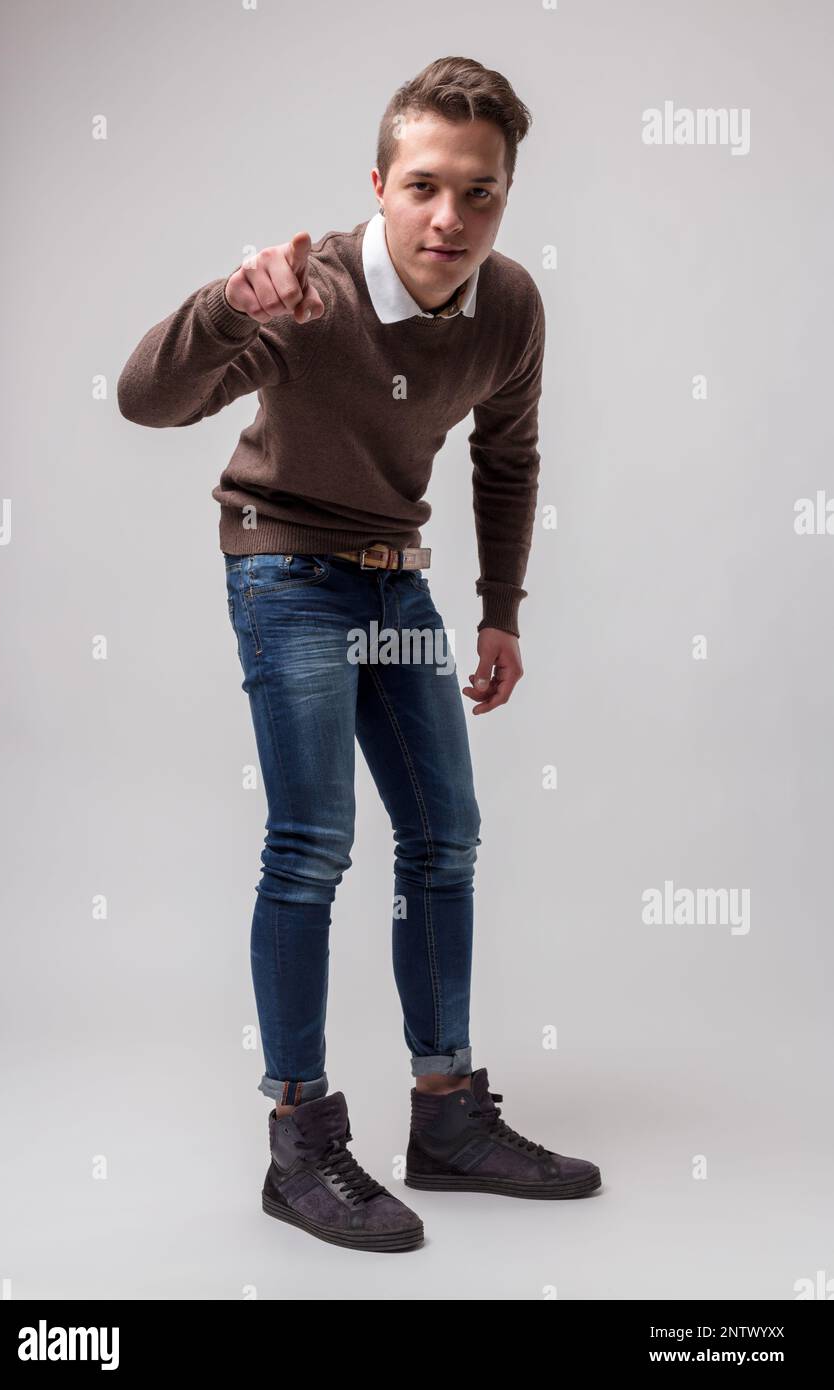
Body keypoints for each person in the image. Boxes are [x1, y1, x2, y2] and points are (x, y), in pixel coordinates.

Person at [117, 55, 601, 1254]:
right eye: (425, 185)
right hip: (283, 567)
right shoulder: (305, 293)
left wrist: (501, 607)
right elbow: (144, 400)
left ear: (504, 196)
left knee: (444, 837)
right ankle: (299, 1142)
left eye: (479, 192)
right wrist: (229, 306)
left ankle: (445, 1115)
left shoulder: (511, 306)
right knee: (313, 844)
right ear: (378, 184)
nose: (451, 217)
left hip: (396, 576)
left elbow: (507, 456)